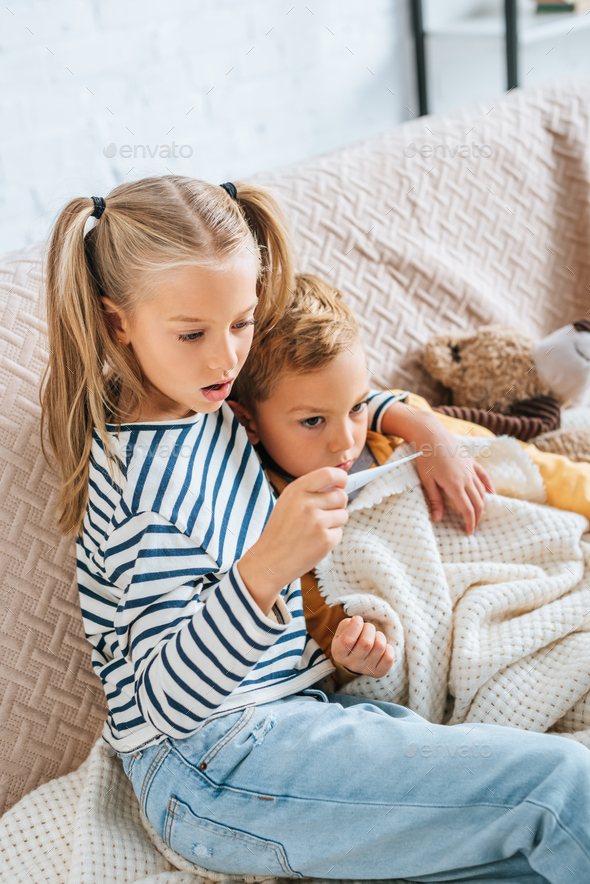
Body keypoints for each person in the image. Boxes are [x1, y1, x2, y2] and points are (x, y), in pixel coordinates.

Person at [40, 176, 590, 883]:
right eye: (193, 333)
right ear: (120, 324)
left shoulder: (204, 394)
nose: (225, 357)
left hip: (293, 722)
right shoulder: (143, 484)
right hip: (212, 767)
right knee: (562, 787)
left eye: (241, 323)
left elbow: (317, 391)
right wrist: (265, 569)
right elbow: (165, 704)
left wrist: (410, 416)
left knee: (529, 862)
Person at [228, 272, 590, 686]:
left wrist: (420, 425)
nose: (345, 440)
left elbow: (526, 465)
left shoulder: (403, 429)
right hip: (461, 648)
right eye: (313, 421)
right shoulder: (278, 520)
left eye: (357, 406)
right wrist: (352, 654)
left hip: (537, 566)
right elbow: (321, 623)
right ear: (248, 422)